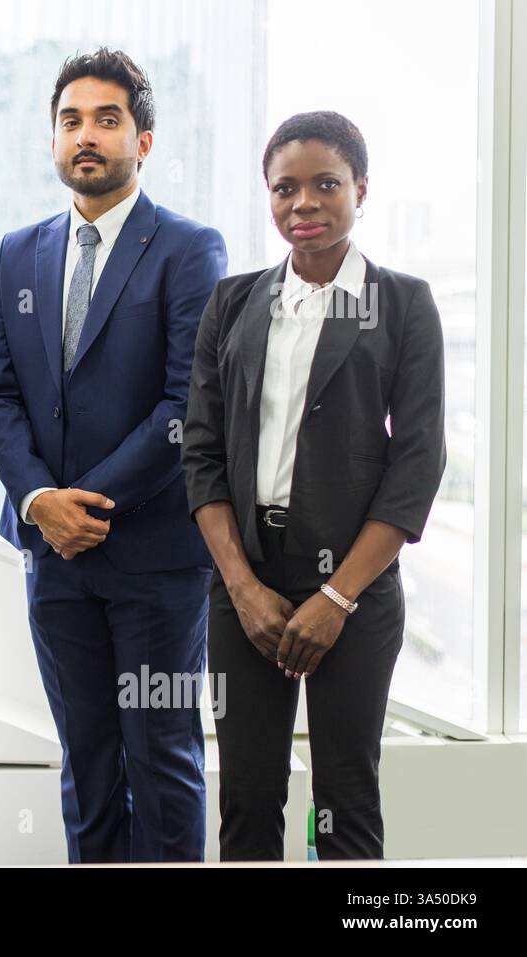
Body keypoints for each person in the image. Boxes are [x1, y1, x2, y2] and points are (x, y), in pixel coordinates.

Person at [0, 50, 227, 863]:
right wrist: (38, 501)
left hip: (156, 560)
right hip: (54, 560)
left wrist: (81, 502)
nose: (87, 135)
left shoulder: (190, 249)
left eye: (107, 119)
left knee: (163, 761)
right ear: (53, 137)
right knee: (84, 762)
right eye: (71, 120)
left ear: (143, 141)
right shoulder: (20, 252)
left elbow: (186, 406)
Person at [182, 111, 446, 860]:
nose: (303, 203)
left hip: (356, 590)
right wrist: (242, 586)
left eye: (325, 184)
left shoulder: (403, 304)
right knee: (247, 798)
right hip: (248, 587)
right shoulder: (232, 302)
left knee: (346, 798)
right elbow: (200, 454)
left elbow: (417, 464)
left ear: (361, 190)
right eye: (284, 188)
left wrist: (336, 599)